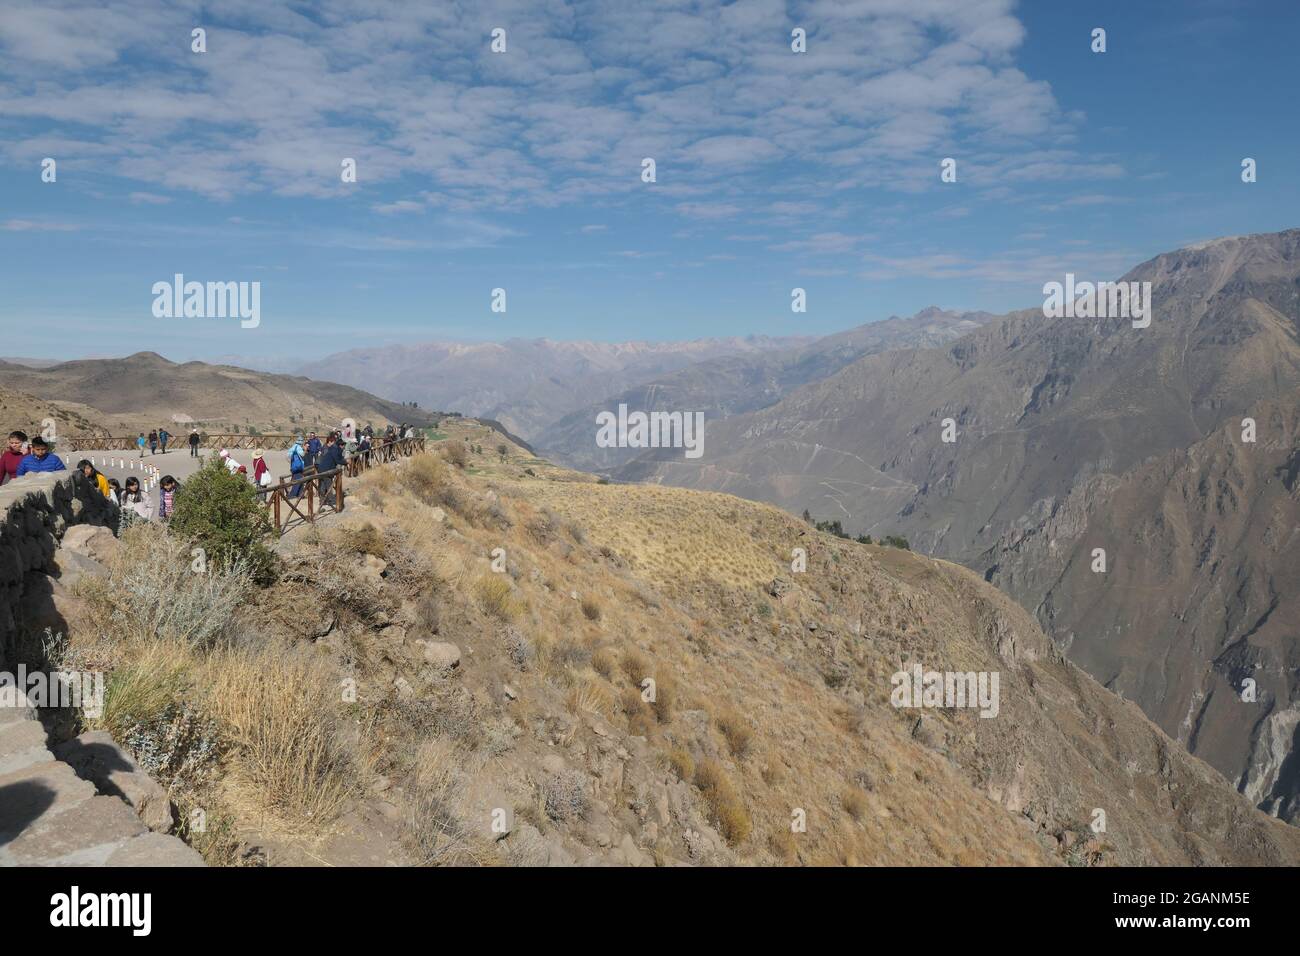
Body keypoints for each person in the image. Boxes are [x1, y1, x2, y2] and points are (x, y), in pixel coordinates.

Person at [315, 433, 344, 502]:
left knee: (323, 484)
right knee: (328, 483)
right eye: (333, 441)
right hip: (322, 467)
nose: (334, 443)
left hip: (321, 467)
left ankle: (323, 499)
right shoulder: (326, 449)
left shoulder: (326, 448)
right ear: (330, 441)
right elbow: (326, 459)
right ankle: (330, 499)